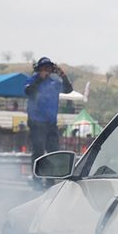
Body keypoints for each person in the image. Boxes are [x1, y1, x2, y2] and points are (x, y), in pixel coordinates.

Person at [25, 56, 73, 187]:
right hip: (36, 122)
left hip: (51, 123)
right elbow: (29, 91)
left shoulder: (55, 83)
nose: (46, 70)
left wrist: (62, 75)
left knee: (53, 151)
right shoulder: (33, 80)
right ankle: (37, 179)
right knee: (38, 151)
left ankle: (50, 181)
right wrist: (40, 78)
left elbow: (68, 89)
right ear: (39, 69)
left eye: (49, 68)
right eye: (44, 68)